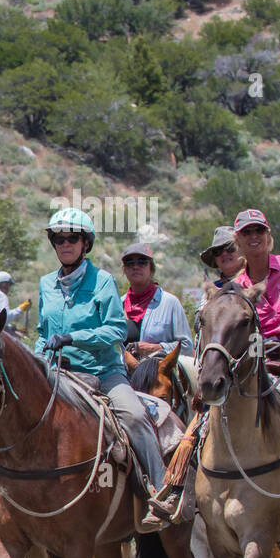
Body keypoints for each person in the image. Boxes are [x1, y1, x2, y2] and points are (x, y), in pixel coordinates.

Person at [32, 208, 170, 533]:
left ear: (85, 243)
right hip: (58, 375)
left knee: (135, 416)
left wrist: (72, 338)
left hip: (104, 373)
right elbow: (41, 332)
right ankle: (5, 503)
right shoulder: (45, 284)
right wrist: (37, 358)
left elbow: (115, 331)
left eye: (72, 238)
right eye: (59, 238)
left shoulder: (103, 281)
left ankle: (161, 493)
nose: (65, 244)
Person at [231, 208, 280, 375]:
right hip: (262, 363)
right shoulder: (237, 289)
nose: (254, 236)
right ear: (237, 240)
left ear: (268, 235)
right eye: (246, 232)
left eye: (259, 230)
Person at [120, 242, 193, 358]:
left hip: (159, 373)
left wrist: (156, 349)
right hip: (125, 373)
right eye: (129, 263)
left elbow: (187, 347)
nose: (135, 266)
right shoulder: (118, 305)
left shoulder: (170, 303)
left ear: (151, 268)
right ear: (124, 270)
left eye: (142, 262)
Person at [200, 226, 244, 291]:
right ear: (215, 259)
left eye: (230, 247)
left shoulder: (255, 282)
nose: (224, 254)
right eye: (217, 251)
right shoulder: (211, 291)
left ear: (242, 250)